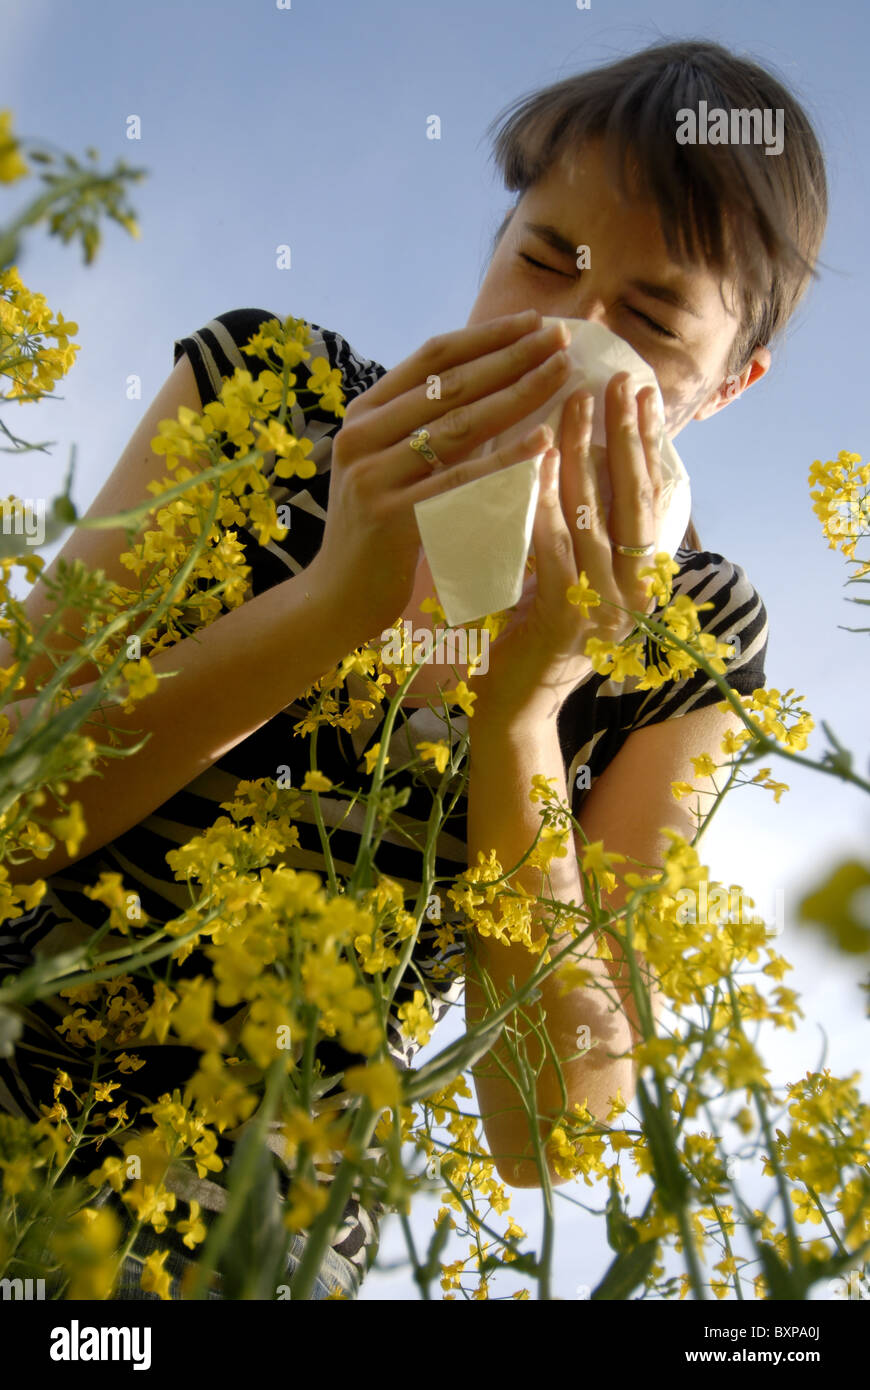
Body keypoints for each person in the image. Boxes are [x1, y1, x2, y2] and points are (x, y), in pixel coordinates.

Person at [0, 38, 826, 1299]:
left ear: (726, 388)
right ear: (495, 236)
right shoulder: (268, 398)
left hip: (247, 1248)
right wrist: (336, 601)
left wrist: (525, 716)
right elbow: (13, 808)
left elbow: (557, 1122)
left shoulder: (694, 633)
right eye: (545, 257)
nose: (564, 333)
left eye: (652, 323)